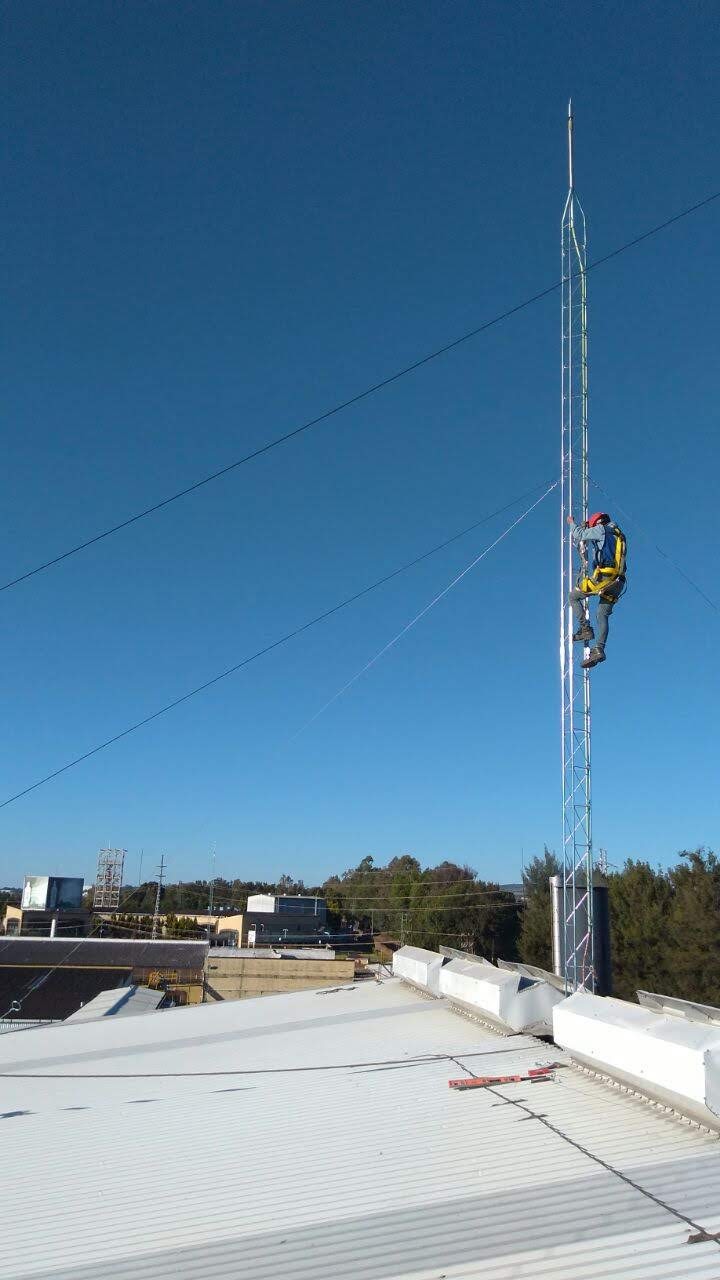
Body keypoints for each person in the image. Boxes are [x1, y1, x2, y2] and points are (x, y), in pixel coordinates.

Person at [567, 512, 627, 668]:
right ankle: (599, 649)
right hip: (618, 581)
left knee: (574, 596)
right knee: (602, 614)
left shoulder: (601, 529)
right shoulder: (619, 534)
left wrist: (572, 523)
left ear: (598, 522)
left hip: (604, 577)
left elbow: (579, 535)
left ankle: (585, 628)